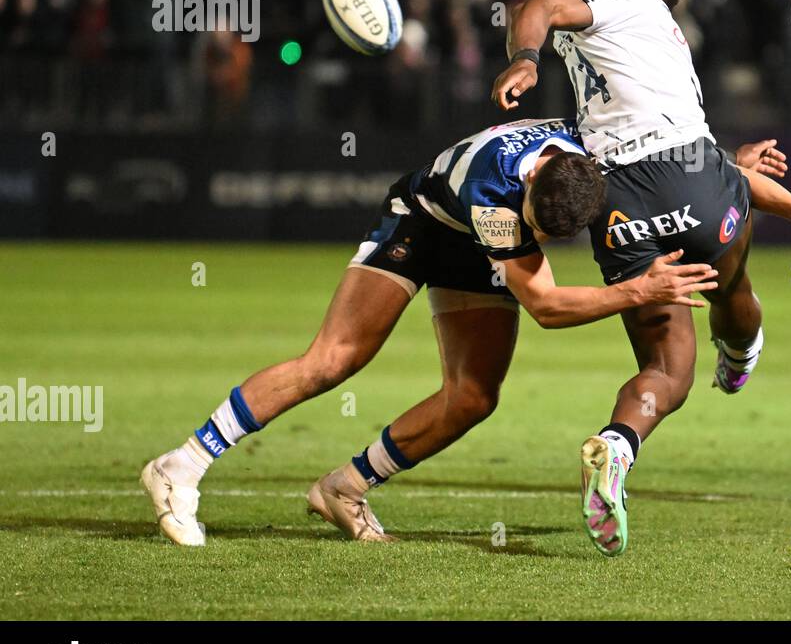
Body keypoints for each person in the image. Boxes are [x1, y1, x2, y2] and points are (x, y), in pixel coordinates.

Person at [140, 116, 731, 546]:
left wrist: (724, 170)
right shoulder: (496, 194)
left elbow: (661, 149)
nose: (543, 240)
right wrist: (636, 290)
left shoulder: (593, 154)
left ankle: (344, 488)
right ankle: (182, 465)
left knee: (473, 397)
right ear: (531, 189)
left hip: (481, 245)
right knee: (335, 359)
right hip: (422, 224)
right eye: (538, 230)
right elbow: (547, 308)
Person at [492, 0, 791, 555]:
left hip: (617, 200)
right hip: (692, 179)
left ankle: (617, 445)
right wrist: (524, 56)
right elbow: (539, 4)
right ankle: (742, 350)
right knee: (733, 282)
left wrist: (529, 57)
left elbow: (635, 104)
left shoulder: (634, 18)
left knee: (667, 368)